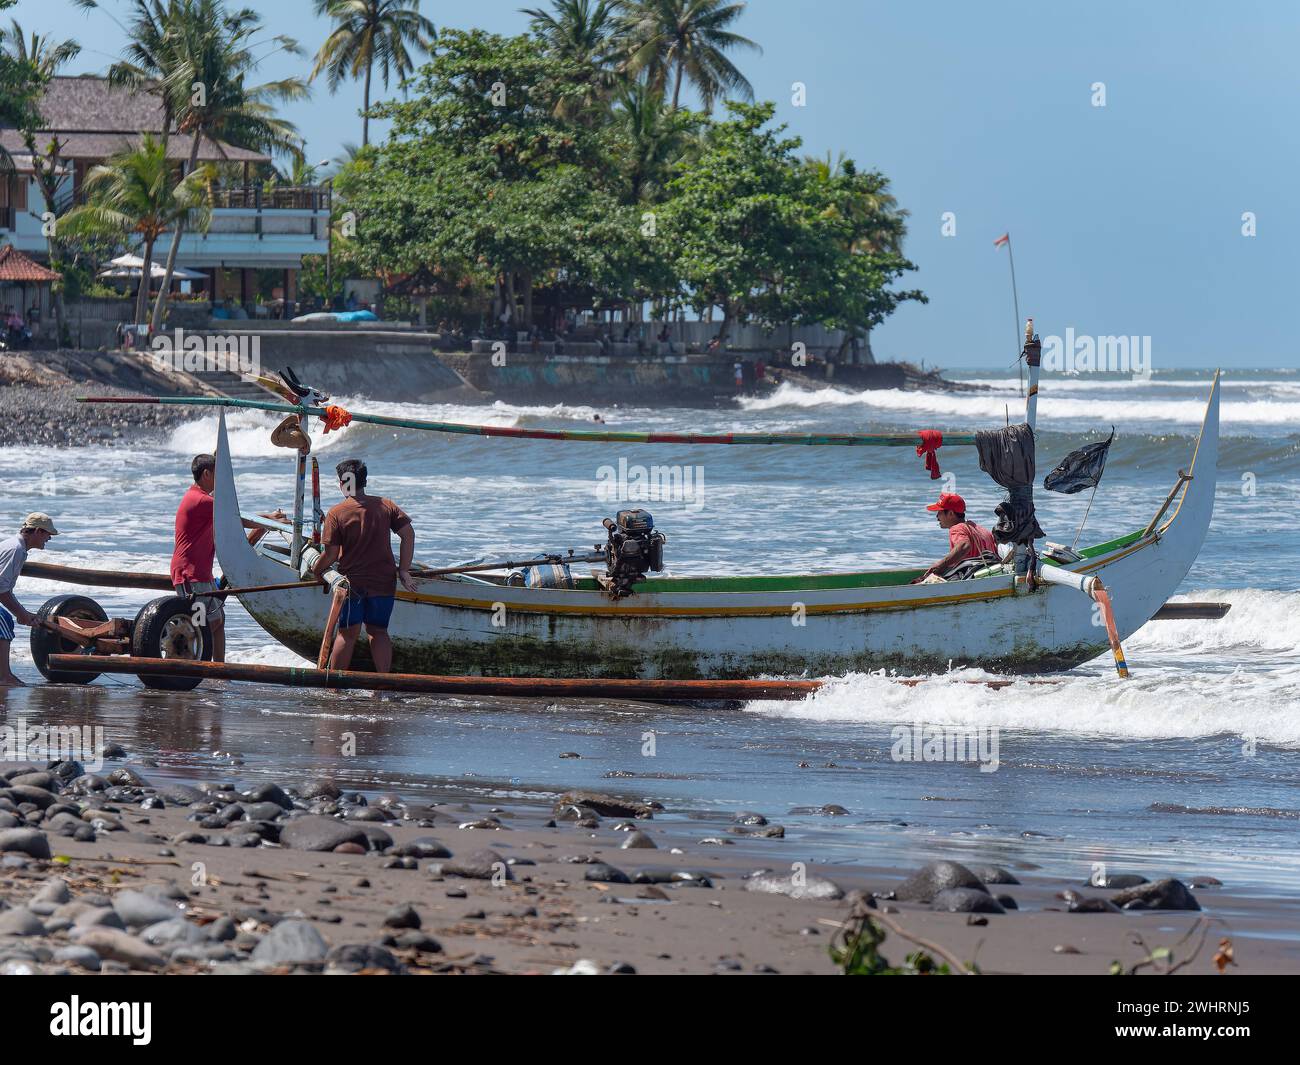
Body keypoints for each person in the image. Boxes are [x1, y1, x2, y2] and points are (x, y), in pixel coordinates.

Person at [172, 454, 284, 663]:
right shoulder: (200, 500)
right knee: (202, 624)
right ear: (206, 474)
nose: (220, 480)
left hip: (201, 573)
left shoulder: (200, 496)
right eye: (217, 475)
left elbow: (231, 515)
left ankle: (218, 670)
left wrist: (267, 519)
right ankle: (193, 668)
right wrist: (270, 519)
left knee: (218, 619)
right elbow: (235, 518)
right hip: (190, 573)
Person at [312, 458, 416, 673]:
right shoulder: (386, 505)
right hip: (384, 582)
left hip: (353, 586)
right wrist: (404, 570)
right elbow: (408, 534)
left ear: (342, 483)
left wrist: (316, 570)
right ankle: (382, 687)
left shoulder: (336, 513)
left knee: (347, 633)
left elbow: (331, 555)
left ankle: (335, 688)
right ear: (365, 481)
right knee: (379, 631)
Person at [0, 513, 59, 687]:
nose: (49, 538)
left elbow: (5, 589)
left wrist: (23, 613)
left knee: (6, 621)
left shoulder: (18, 548)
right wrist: (20, 613)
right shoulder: (15, 550)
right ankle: (4, 677)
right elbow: (1, 590)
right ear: (38, 531)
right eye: (48, 534)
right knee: (3, 621)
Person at [911, 492, 999, 584]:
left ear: (951, 513)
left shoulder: (956, 529)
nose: (937, 517)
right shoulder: (982, 530)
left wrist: (939, 566)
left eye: (939, 512)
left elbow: (964, 545)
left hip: (971, 583)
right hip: (990, 578)